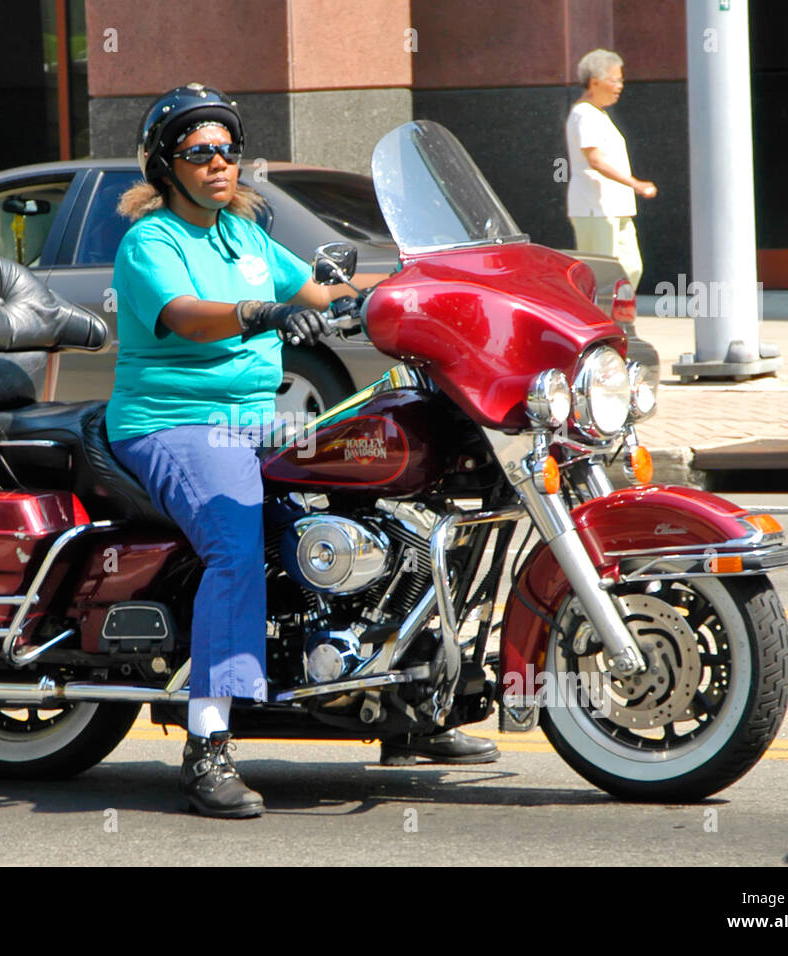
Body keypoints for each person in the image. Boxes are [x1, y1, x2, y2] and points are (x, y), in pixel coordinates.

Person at [107, 84, 497, 819]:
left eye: (227, 150)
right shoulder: (151, 242)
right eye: (198, 152)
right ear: (166, 166)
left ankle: (404, 700)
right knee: (237, 540)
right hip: (175, 422)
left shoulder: (245, 236)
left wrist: (416, 300)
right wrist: (263, 313)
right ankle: (208, 742)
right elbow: (187, 318)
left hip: (259, 422)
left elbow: (324, 291)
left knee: (390, 507)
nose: (218, 163)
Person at [565, 49, 657, 289]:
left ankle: (617, 319)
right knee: (600, 276)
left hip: (616, 207)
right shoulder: (583, 114)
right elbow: (594, 160)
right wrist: (636, 184)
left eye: (621, 80)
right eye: (614, 80)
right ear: (594, 83)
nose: (620, 86)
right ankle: (600, 321)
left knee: (630, 268)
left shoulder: (598, 114)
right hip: (594, 207)